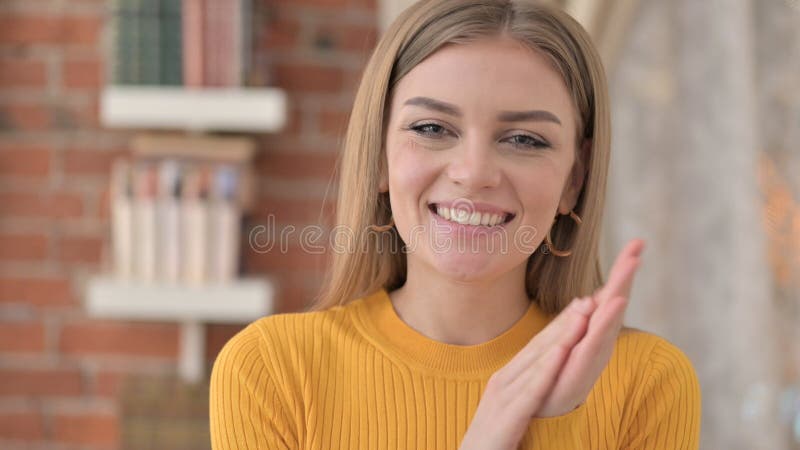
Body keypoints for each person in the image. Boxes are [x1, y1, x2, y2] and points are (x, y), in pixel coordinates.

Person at [209, 1, 702, 449]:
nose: (474, 173)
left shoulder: (648, 381)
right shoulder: (271, 370)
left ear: (575, 179)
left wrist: (558, 418)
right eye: (431, 129)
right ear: (379, 158)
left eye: (525, 139)